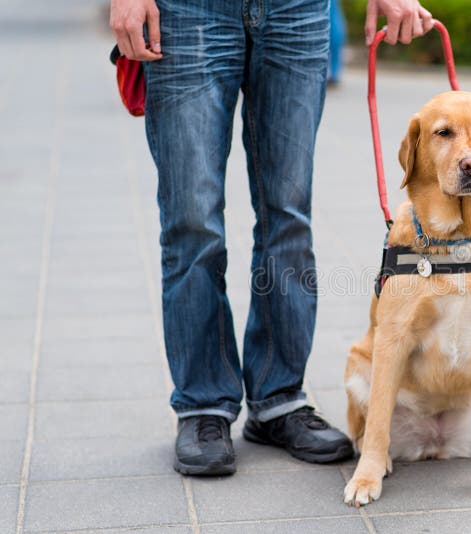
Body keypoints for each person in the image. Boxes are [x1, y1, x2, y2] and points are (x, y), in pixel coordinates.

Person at [109, 0, 434, 476]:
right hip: (186, 11)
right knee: (191, 221)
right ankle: (203, 405)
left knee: (289, 215)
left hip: (296, 10)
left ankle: (278, 398)